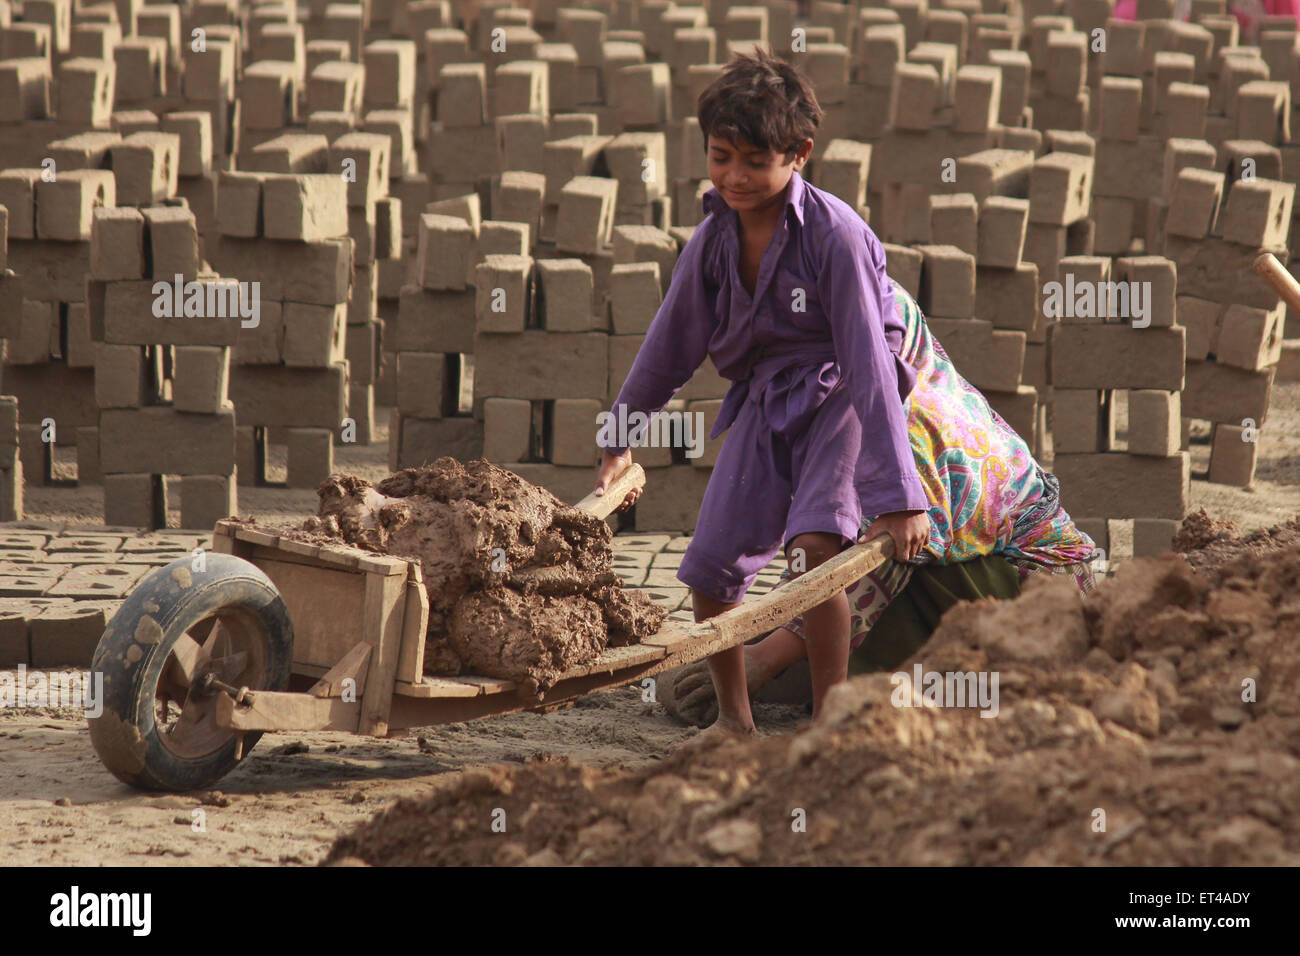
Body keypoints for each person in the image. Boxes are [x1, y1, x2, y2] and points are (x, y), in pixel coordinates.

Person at [592, 46, 1096, 736]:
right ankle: (733, 721)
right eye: (719, 157)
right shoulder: (711, 242)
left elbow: (867, 365)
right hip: (768, 402)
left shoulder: (836, 238)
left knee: (816, 556)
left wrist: (896, 501)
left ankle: (833, 715)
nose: (734, 177)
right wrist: (620, 438)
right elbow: (667, 348)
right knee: (708, 568)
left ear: (798, 154)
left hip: (839, 399)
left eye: (754, 162)